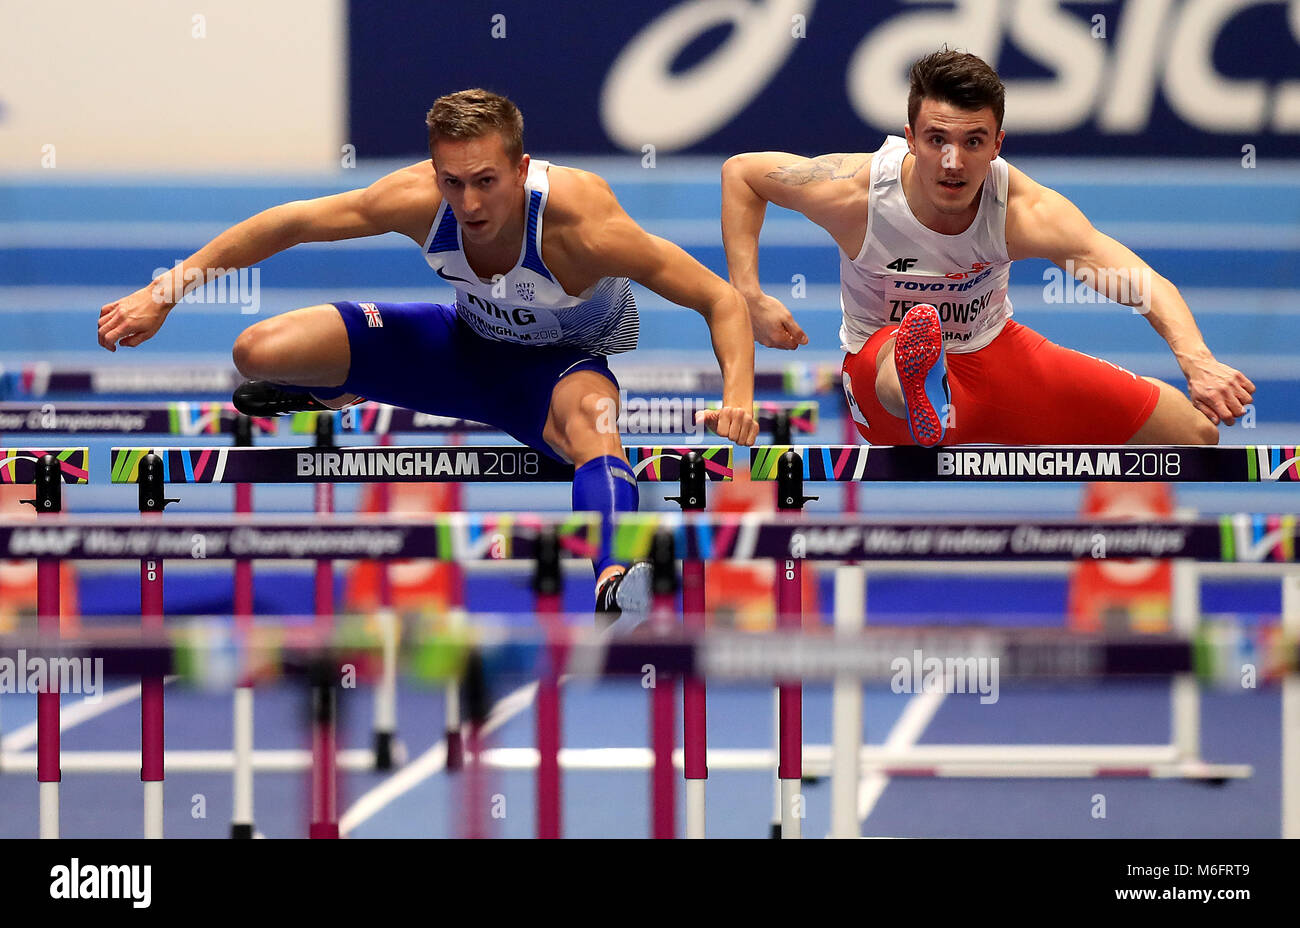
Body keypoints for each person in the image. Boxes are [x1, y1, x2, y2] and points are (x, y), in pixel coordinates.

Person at [98, 88, 758, 619]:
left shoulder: (586, 227)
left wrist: (737, 398)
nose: (469, 203)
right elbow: (290, 222)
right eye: (453, 181)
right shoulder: (419, 198)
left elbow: (719, 300)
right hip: (459, 347)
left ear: (522, 170)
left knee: (596, 425)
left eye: (486, 181)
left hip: (553, 373)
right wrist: (165, 293)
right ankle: (339, 388)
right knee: (258, 350)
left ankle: (615, 577)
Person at [721, 48, 1253, 448]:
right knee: (896, 350)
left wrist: (1198, 359)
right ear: (910, 137)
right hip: (881, 383)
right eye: (937, 141)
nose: (953, 162)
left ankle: (929, 378)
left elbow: (1136, 281)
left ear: (997, 144)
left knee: (1196, 435)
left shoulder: (1021, 210)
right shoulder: (857, 191)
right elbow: (743, 174)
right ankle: (920, 381)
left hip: (996, 360)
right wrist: (749, 295)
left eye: (973, 142)